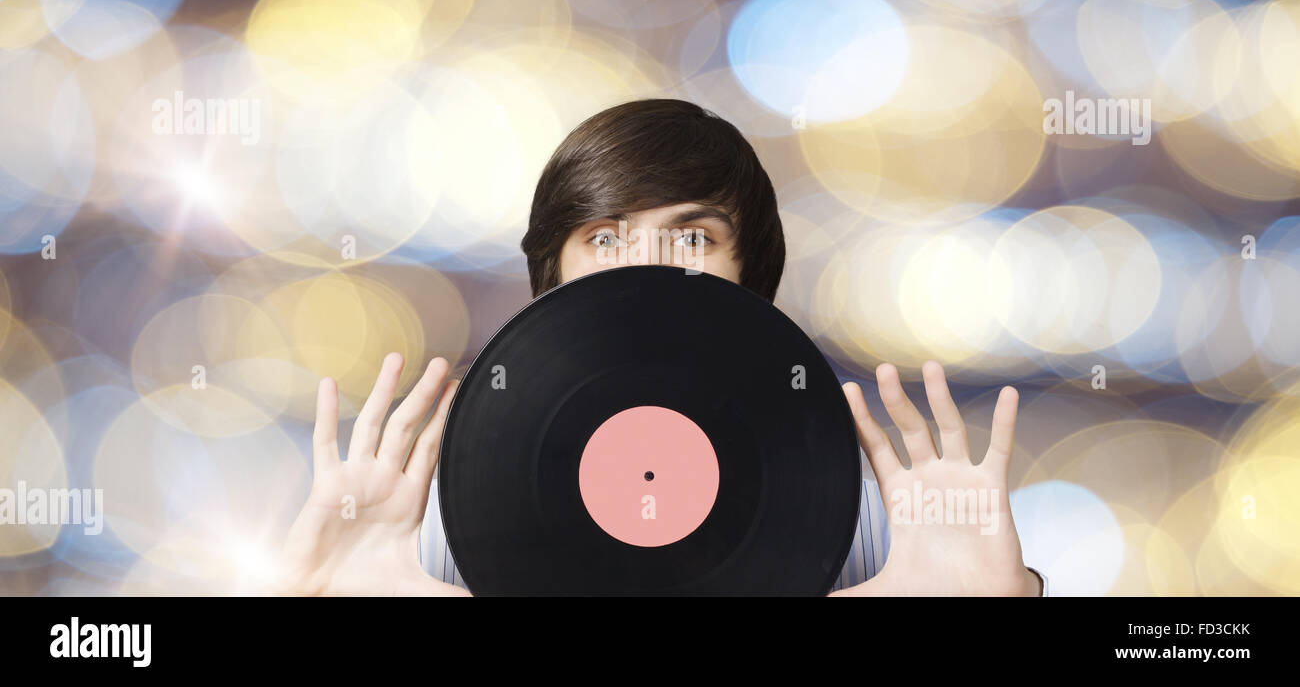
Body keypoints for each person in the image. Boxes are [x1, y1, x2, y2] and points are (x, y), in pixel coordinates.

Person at [276, 99, 1046, 597]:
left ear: (753, 273)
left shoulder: (876, 504)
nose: (645, 265)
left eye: (691, 236)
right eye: (605, 236)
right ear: (554, 276)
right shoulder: (435, 504)